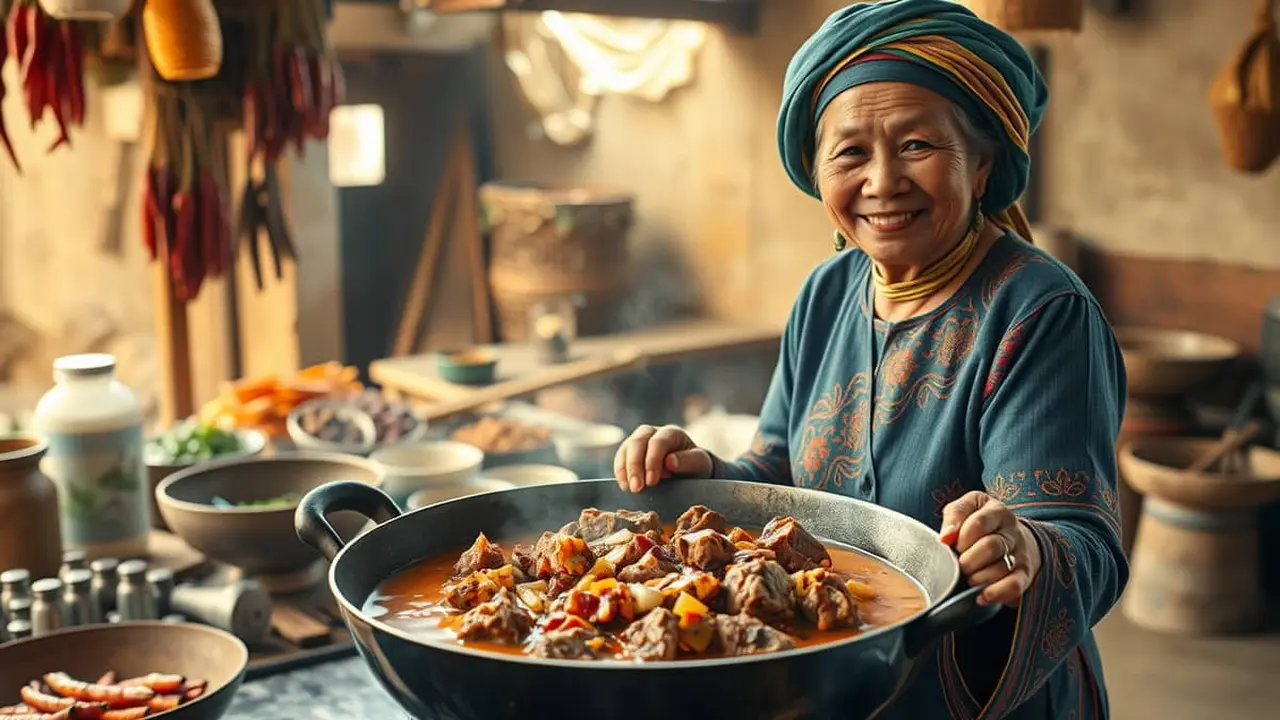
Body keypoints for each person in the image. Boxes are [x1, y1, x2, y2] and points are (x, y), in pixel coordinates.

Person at [612, 1, 1128, 717]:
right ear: (818, 172)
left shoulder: (1040, 312)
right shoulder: (827, 292)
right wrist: (706, 474)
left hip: (966, 689)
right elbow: (779, 477)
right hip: (826, 681)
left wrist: (1027, 545)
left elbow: (1082, 539)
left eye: (917, 145)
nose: (882, 181)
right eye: (850, 153)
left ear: (982, 164)